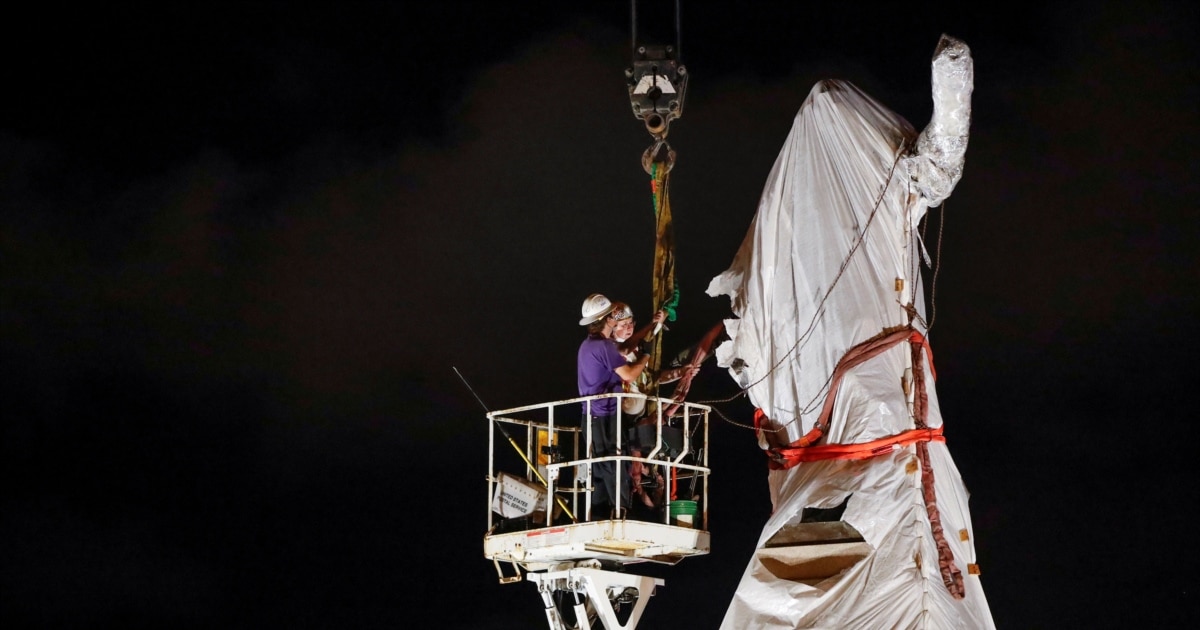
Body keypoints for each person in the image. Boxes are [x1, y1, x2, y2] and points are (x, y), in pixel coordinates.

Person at [576, 293, 652, 518]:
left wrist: (650, 327)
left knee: (600, 467)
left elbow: (624, 350)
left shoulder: (588, 346)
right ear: (608, 320)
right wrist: (646, 355)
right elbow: (629, 374)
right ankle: (621, 513)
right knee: (615, 465)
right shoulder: (604, 346)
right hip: (606, 416)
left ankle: (598, 513)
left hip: (590, 417)